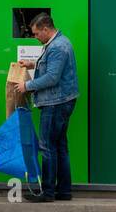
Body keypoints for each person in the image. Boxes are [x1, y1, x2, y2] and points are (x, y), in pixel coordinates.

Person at [14, 13, 78, 202]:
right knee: (60, 146)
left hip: (55, 102)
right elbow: (51, 66)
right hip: (61, 100)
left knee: (47, 147)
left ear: (45, 29)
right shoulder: (57, 42)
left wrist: (27, 86)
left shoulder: (58, 47)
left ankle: (48, 192)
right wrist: (32, 63)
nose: (35, 37)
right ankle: (64, 191)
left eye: (36, 34)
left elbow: (52, 77)